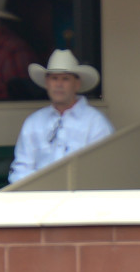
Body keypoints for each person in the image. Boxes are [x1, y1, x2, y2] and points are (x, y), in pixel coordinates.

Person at [8, 50, 114, 183]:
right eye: (54, 78)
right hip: (39, 193)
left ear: (77, 84)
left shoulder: (96, 123)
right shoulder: (33, 123)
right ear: (47, 83)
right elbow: (20, 169)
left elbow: (103, 170)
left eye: (65, 79)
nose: (59, 84)